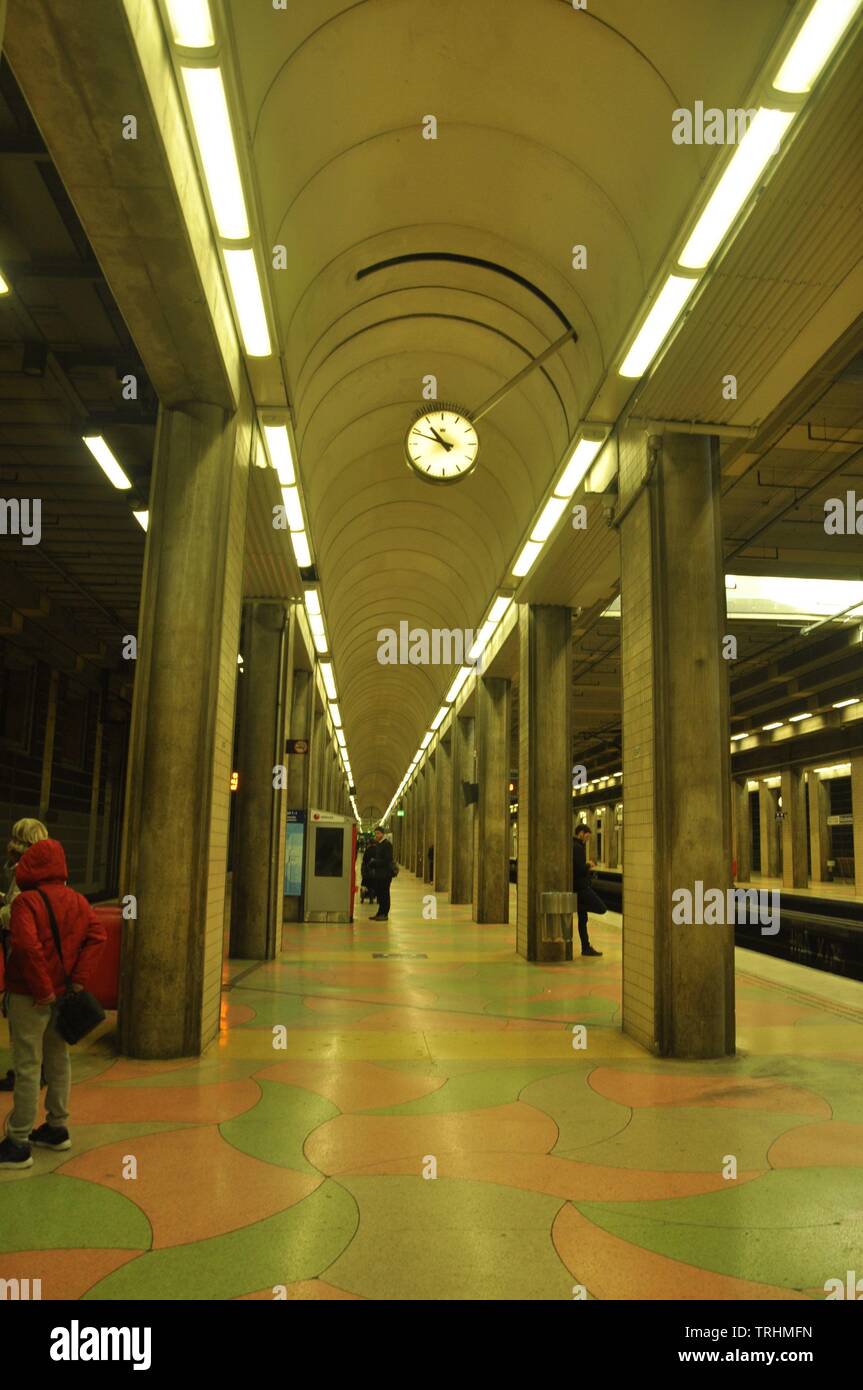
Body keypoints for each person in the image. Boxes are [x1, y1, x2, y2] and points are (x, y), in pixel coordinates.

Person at [0, 837, 106, 1169]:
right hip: (62, 996)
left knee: (28, 1065)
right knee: (58, 1059)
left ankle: (18, 1142)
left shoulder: (25, 903)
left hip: (28, 996)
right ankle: (57, 1127)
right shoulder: (77, 900)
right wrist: (74, 981)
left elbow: (28, 948)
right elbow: (97, 937)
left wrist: (42, 990)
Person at [0, 818, 49, 1092]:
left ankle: (24, 1074)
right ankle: (36, 1069)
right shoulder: (49, 869)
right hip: (42, 953)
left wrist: (1, 912)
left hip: (21, 951)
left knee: (20, 1015)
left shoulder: (24, 871)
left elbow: (18, 914)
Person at [572, 823, 605, 957]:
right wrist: (588, 865)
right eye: (587, 836)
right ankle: (579, 906)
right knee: (602, 908)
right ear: (581, 833)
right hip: (582, 888)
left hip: (577, 888)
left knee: (583, 921)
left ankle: (586, 947)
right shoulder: (578, 847)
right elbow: (579, 869)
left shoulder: (574, 846)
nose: (588, 839)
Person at [368, 826, 394, 922]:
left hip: (385, 874)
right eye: (375, 834)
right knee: (380, 894)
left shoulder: (387, 844)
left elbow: (387, 860)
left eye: (378, 833)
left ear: (382, 834)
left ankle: (384, 914)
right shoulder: (379, 844)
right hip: (379, 874)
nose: (376, 835)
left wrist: (375, 862)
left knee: (384, 894)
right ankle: (380, 913)